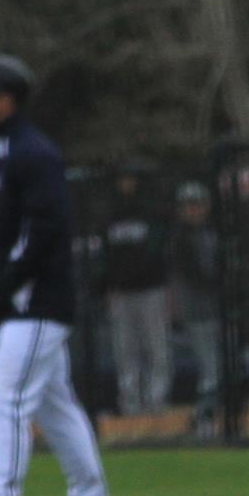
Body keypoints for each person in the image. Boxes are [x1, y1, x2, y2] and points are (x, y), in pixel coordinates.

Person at [0, 54, 121, 496]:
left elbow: (45, 229)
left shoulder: (32, 153)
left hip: (36, 302)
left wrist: (5, 285)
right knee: (56, 406)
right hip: (18, 303)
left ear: (4, 100)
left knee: (8, 401)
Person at [102, 167, 172, 415]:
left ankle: (156, 401)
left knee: (156, 347)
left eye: (131, 179)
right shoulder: (110, 214)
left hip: (150, 289)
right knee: (125, 350)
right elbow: (105, 256)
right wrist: (107, 286)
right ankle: (130, 403)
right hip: (121, 292)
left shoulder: (151, 212)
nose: (127, 184)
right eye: (123, 180)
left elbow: (158, 252)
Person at [168, 181, 222, 437]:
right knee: (210, 368)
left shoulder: (212, 233)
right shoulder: (180, 239)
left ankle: (209, 416)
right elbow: (194, 275)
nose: (194, 211)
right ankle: (203, 418)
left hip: (216, 309)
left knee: (217, 367)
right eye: (189, 206)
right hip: (197, 311)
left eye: (198, 205)